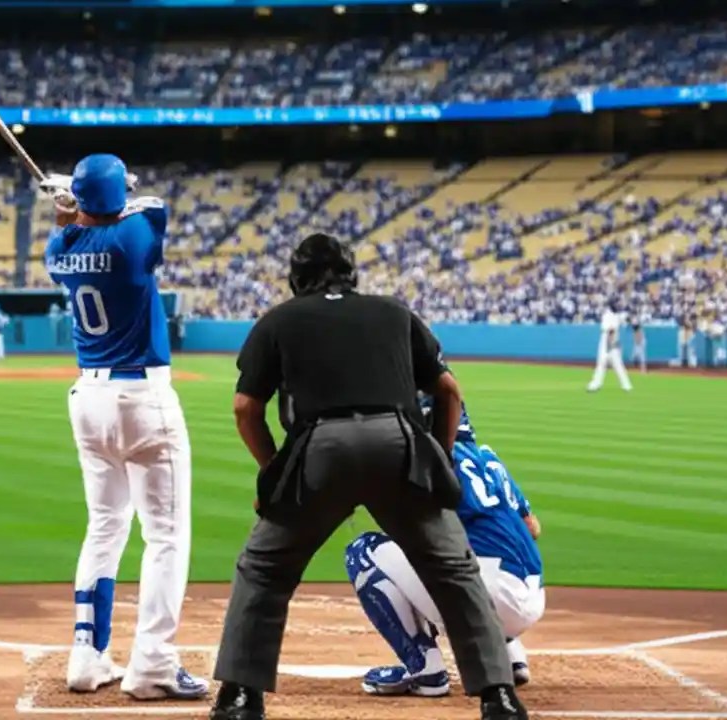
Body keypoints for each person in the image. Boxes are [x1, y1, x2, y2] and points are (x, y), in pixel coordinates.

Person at [207, 233, 524, 720]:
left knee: (265, 569)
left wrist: (274, 474)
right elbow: (448, 390)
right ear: (352, 274)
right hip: (397, 444)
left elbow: (246, 408)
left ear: (296, 279)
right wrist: (436, 457)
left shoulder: (278, 320)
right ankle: (498, 696)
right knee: (454, 570)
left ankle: (239, 697)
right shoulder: (394, 312)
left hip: (320, 449)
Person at [41, 154, 207, 701]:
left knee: (105, 525)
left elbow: (73, 229)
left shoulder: (59, 252)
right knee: (165, 537)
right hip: (143, 399)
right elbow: (151, 207)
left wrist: (67, 204)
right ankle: (153, 664)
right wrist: (76, 196)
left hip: (88, 400)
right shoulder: (133, 239)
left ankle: (86, 658)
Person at [346, 398, 544, 697]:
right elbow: (532, 527)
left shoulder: (428, 462)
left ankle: (425, 669)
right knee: (467, 553)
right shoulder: (487, 458)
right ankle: (508, 656)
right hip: (533, 593)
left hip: (494, 601)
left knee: (364, 552)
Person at [587, 305, 631, 392]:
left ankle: (626, 385)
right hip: (607, 340)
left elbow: (624, 319)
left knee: (615, 364)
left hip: (611, 340)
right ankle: (596, 384)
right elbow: (609, 329)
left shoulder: (614, 315)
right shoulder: (609, 315)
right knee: (603, 364)